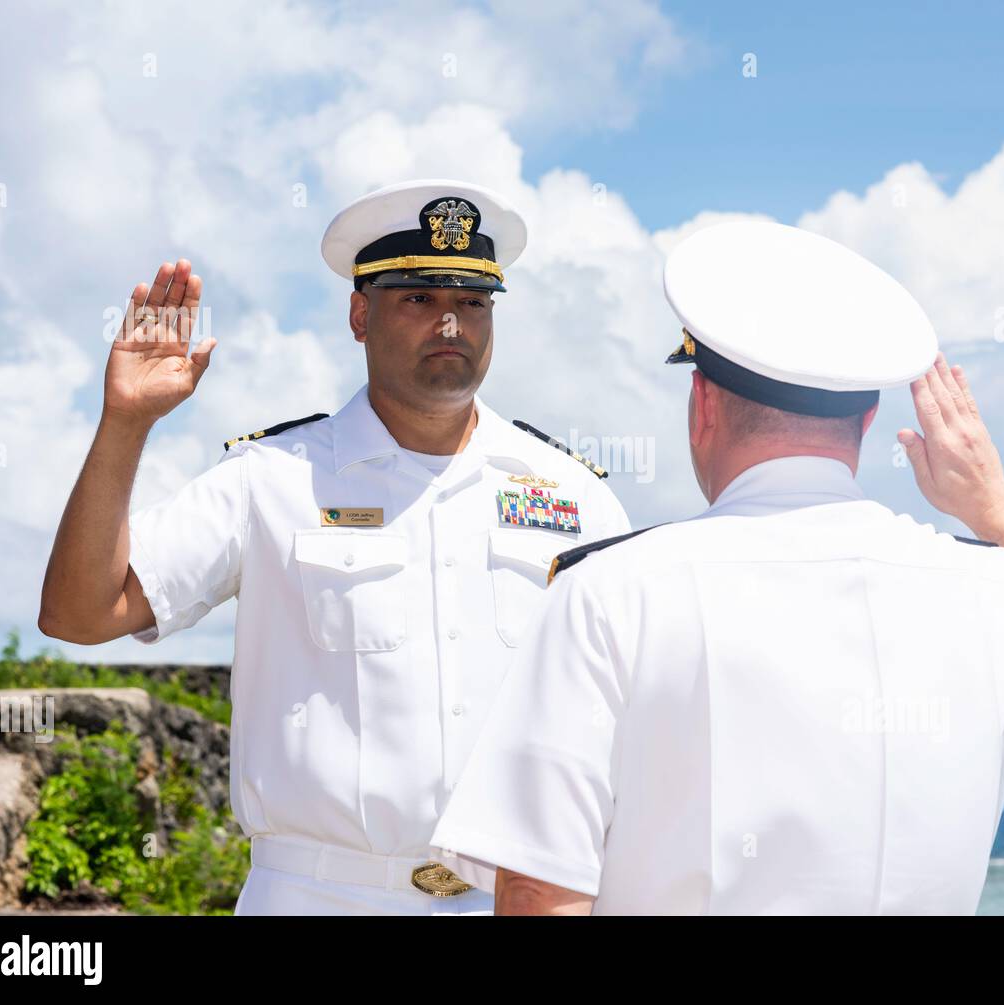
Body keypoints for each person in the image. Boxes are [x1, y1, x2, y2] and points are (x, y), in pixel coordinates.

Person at [430, 220, 1004, 915]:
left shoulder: (612, 593)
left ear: (703, 403)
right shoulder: (995, 593)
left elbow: (540, 887)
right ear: (865, 420)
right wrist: (995, 506)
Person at [37, 179, 630, 915]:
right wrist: (125, 423)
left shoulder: (575, 496)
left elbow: (635, 716)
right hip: (321, 895)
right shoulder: (271, 480)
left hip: (518, 898)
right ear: (360, 314)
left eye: (472, 302)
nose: (451, 322)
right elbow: (79, 613)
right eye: (419, 298)